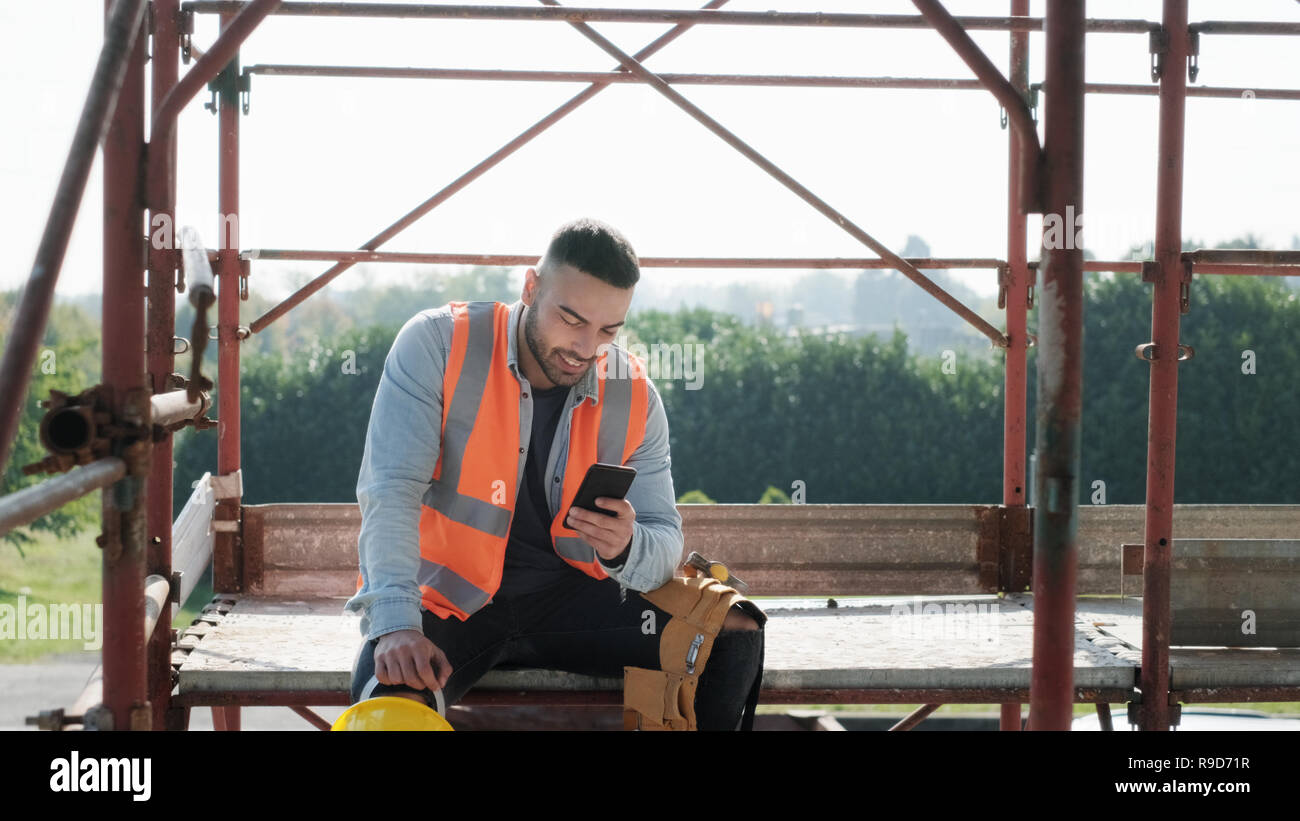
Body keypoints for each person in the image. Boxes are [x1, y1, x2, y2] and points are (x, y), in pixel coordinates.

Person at [345, 217, 764, 730]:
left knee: (733, 629)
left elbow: (663, 543)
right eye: (571, 319)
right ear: (530, 287)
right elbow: (390, 491)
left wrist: (627, 545)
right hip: (448, 604)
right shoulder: (437, 344)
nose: (587, 347)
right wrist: (395, 625)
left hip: (574, 604)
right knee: (392, 706)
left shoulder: (634, 394)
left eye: (608, 330)